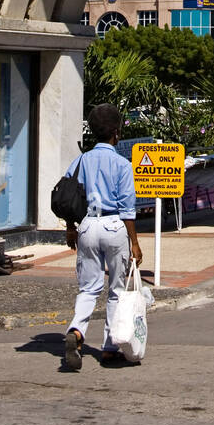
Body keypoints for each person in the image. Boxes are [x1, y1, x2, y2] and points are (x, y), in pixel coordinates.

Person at [62, 103, 143, 372]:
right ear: (116, 134)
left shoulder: (81, 160)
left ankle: (76, 329)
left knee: (88, 288)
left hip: (87, 226)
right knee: (116, 290)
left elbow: (68, 195)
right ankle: (109, 348)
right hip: (114, 225)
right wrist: (135, 242)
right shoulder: (122, 164)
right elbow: (127, 208)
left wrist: (71, 227)